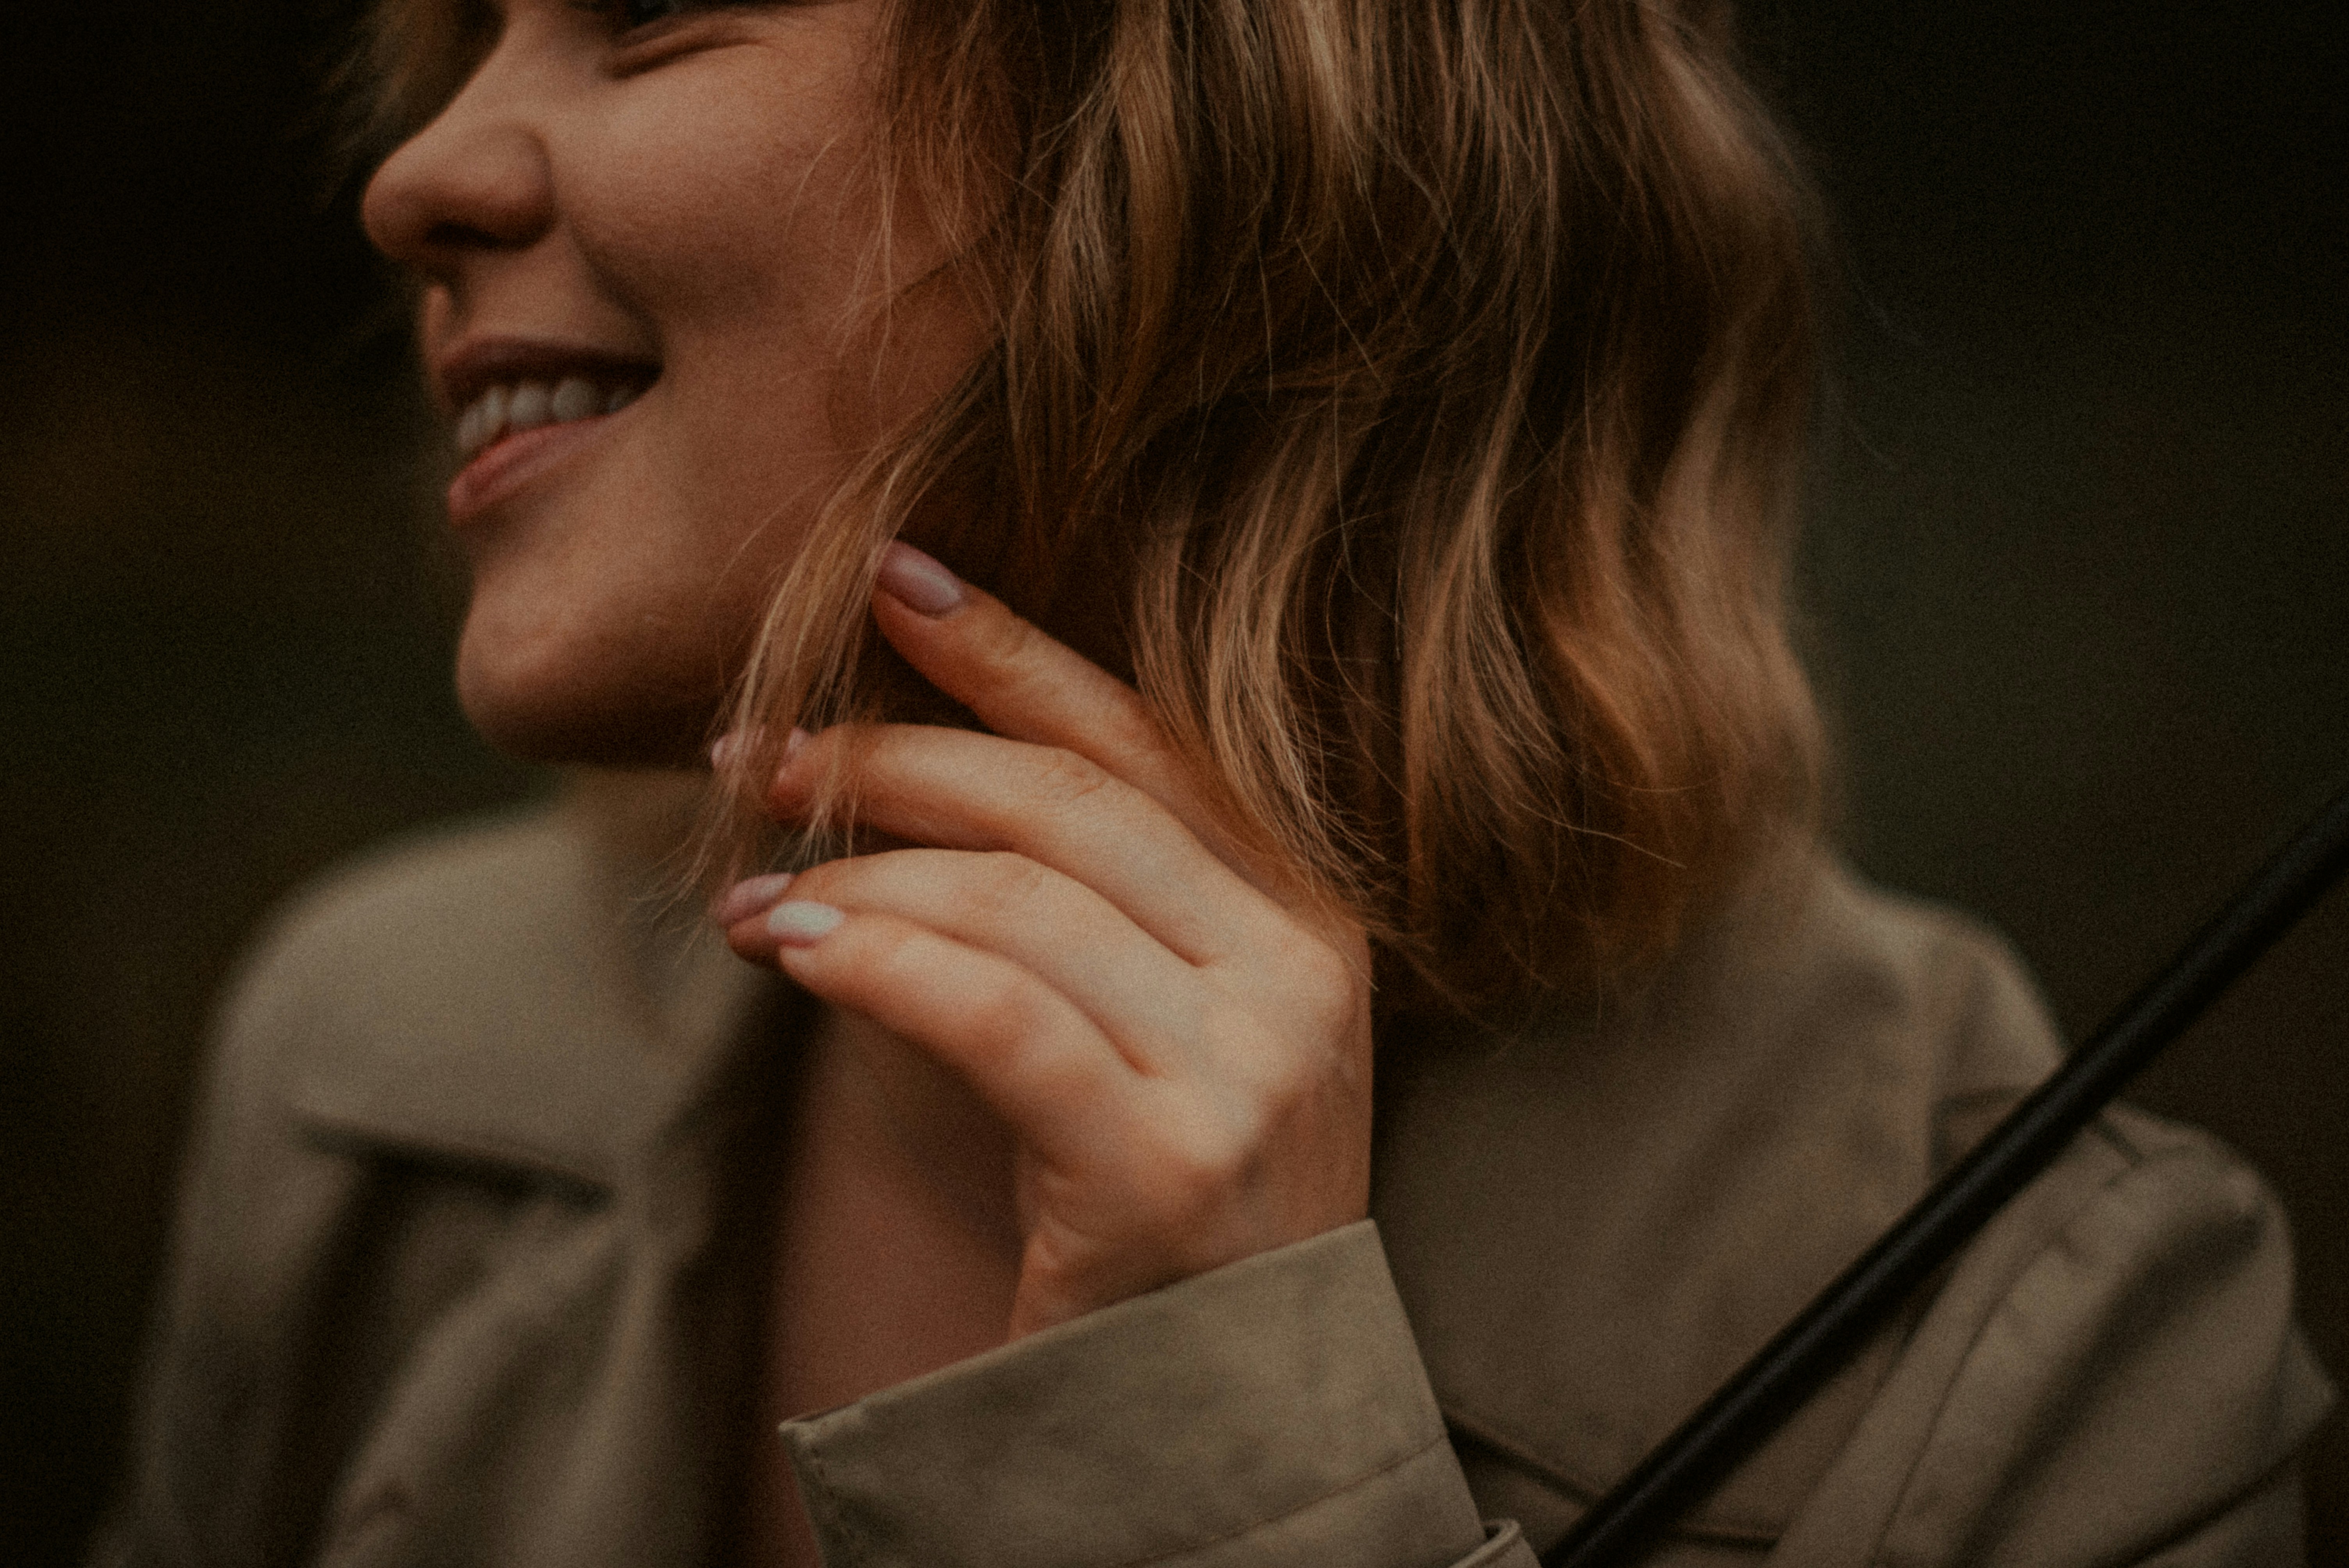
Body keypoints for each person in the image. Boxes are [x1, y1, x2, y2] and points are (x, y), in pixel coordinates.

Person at [94, 0, 2333, 1563]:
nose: (411, 173)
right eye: (466, 27)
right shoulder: (363, 1065)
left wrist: (1225, 1475)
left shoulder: (2054, 1361)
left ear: (1250, 118)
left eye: (658, 0)